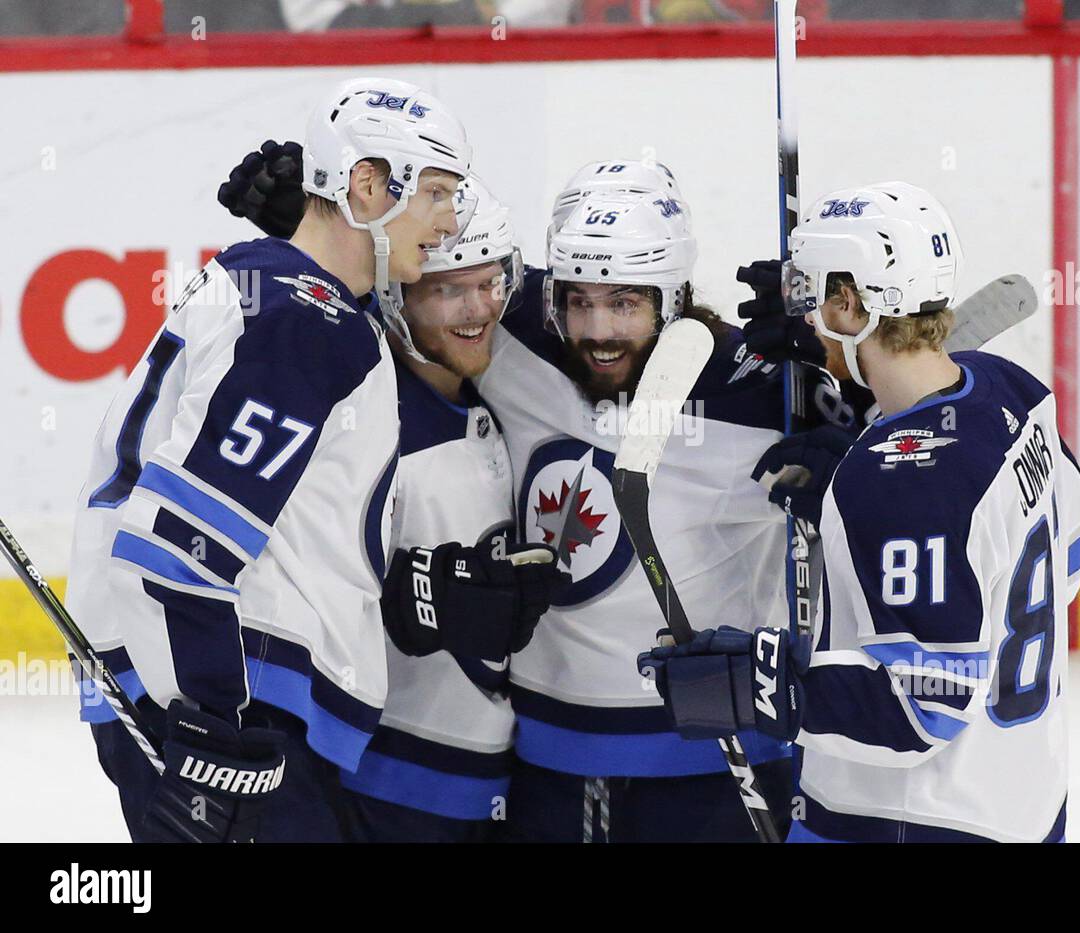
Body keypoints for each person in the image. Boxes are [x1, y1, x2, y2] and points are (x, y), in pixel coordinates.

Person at [218, 151, 802, 842]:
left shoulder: (764, 390)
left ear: (672, 295)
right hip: (540, 773)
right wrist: (324, 226)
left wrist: (835, 360)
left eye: (626, 303)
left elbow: (900, 443)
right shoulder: (510, 328)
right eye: (578, 299)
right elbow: (420, 285)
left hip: (717, 769)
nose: (598, 331)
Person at [66, 76, 490, 843]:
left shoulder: (279, 286)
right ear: (368, 185)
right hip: (230, 709)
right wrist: (213, 728)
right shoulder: (307, 319)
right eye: (436, 192)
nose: (450, 219)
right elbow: (181, 545)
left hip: (206, 692)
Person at [640, 182, 1080, 843]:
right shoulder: (1014, 389)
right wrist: (860, 470)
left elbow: (922, 708)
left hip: (911, 821)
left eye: (809, 293)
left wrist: (758, 682)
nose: (801, 313)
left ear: (848, 303)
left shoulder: (898, 480)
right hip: (1026, 804)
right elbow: (1066, 564)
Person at [342, 178, 568, 842]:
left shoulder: (493, 398)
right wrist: (412, 598)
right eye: (446, 290)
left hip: (491, 781)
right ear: (394, 296)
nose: (479, 310)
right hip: (385, 787)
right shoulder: (365, 425)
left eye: (491, 283)